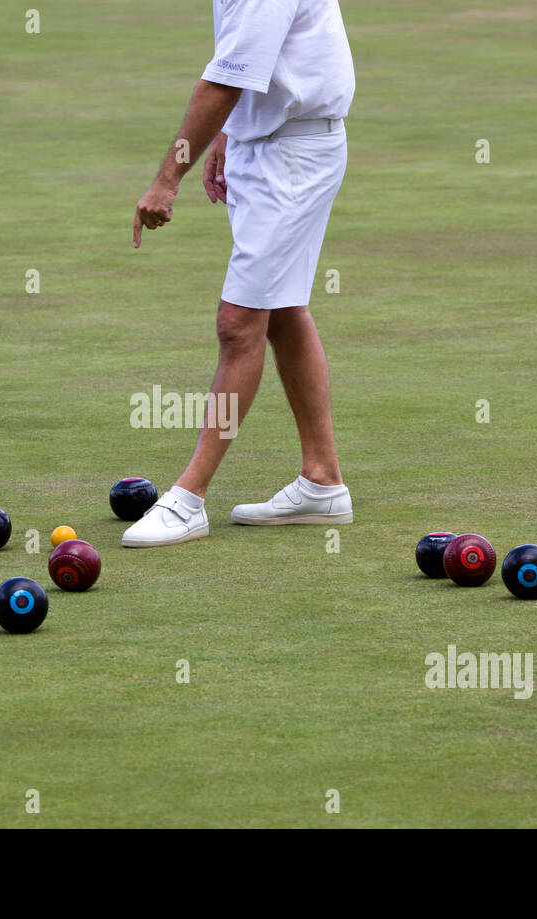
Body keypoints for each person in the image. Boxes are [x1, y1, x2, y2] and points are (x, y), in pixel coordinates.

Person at [127, 0, 356, 548]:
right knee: (281, 312)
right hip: (267, 144)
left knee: (239, 322)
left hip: (294, 159)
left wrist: (166, 180)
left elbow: (222, 83)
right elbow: (252, 59)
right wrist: (232, 133)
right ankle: (323, 481)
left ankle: (189, 498)